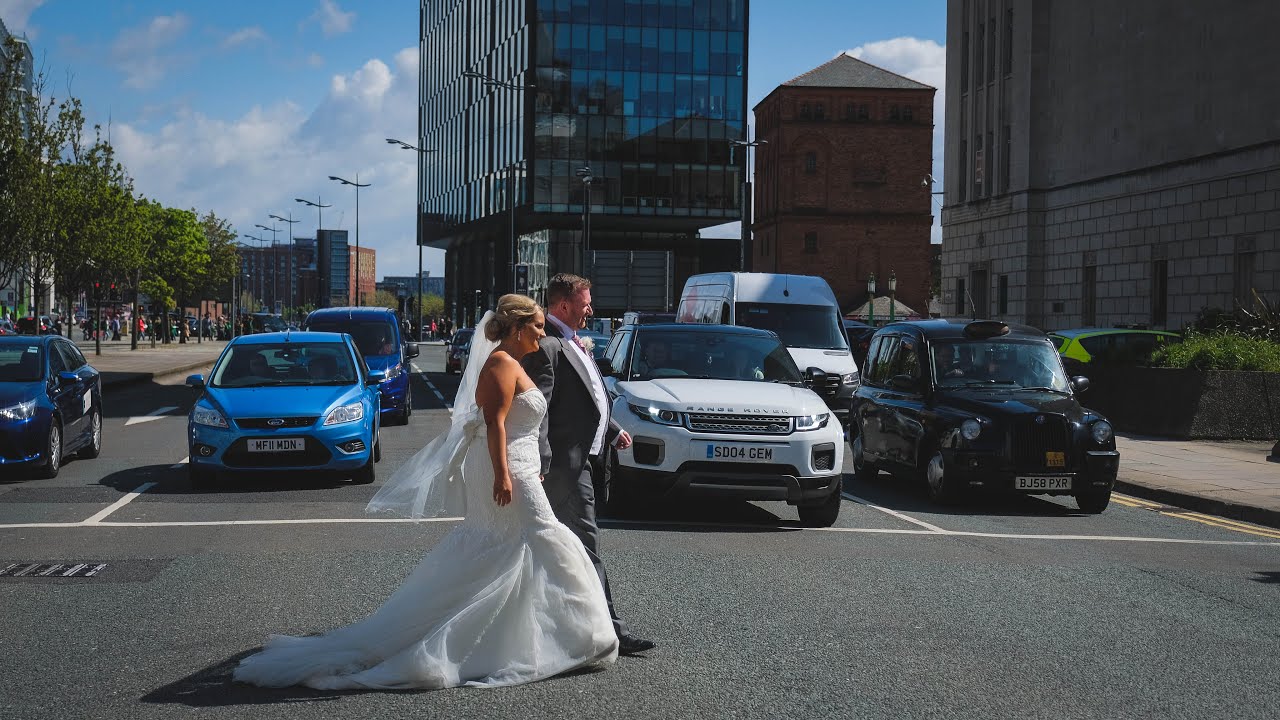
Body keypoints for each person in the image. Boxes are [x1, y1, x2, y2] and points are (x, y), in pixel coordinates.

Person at [233, 295, 618, 690]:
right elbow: (495, 424)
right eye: (537, 325)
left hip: (520, 466)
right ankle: (581, 635)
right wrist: (504, 475)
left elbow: (516, 425)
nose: (542, 331)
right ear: (519, 328)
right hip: (509, 468)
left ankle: (531, 637)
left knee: (505, 548)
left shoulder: (512, 362)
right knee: (544, 537)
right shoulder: (502, 363)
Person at [521, 273, 656, 657]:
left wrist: (611, 430)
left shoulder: (570, 341)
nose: (591, 310)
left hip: (588, 460)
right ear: (563, 305)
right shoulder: (547, 344)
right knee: (587, 545)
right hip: (565, 466)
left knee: (562, 549)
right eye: (585, 304)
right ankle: (613, 632)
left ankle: (557, 624)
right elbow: (541, 409)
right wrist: (543, 459)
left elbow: (586, 397)